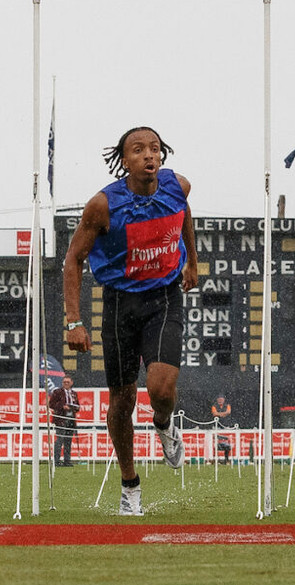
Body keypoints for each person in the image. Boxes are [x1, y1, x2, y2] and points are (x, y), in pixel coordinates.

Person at [61, 126, 196, 517]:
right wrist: (73, 321)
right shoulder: (103, 205)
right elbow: (73, 259)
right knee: (122, 401)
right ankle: (130, 485)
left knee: (161, 388)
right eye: (138, 150)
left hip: (164, 297)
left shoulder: (178, 186)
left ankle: (164, 423)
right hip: (120, 303)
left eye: (154, 148)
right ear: (124, 161)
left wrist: (192, 260)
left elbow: (185, 215)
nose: (148, 155)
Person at [49, 376, 79, 466]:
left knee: (68, 441)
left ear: (71, 383)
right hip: (61, 419)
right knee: (59, 440)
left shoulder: (74, 393)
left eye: (68, 382)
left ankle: (67, 460)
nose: (66, 383)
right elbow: (51, 404)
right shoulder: (57, 392)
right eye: (64, 382)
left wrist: (75, 407)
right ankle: (56, 461)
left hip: (71, 419)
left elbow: (77, 405)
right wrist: (62, 406)